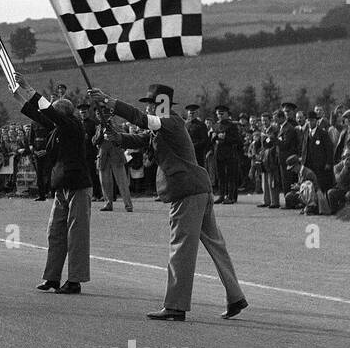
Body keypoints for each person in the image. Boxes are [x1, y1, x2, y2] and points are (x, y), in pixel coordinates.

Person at [87, 83, 248, 321]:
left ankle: (175, 306)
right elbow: (142, 138)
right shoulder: (164, 126)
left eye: (152, 103)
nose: (149, 107)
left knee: (181, 248)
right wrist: (118, 137)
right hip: (196, 188)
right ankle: (236, 297)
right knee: (215, 245)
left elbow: (143, 121)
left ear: (161, 104)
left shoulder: (170, 121)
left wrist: (110, 102)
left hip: (186, 191)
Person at [13, 72, 93, 295]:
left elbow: (47, 112)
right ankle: (52, 277)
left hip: (77, 185)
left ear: (63, 113)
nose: (51, 114)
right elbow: (41, 116)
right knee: (55, 232)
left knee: (76, 235)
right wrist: (20, 97)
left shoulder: (73, 126)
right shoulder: (60, 127)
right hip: (62, 187)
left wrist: (28, 87)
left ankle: (75, 280)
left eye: (56, 111)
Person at [95, 117, 133, 212]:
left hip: (116, 156)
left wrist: (112, 130)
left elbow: (123, 137)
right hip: (103, 156)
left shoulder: (115, 125)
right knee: (105, 182)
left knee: (122, 182)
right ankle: (108, 203)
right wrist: (100, 133)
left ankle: (128, 205)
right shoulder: (99, 127)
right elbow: (94, 141)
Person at [211, 105, 244, 204]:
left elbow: (238, 141)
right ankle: (221, 195)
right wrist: (214, 137)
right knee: (220, 176)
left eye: (222, 114)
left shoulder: (232, 125)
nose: (220, 116)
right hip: (218, 153)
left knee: (231, 176)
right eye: (218, 114)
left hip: (230, 153)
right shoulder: (215, 125)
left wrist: (225, 138)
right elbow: (212, 141)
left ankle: (231, 196)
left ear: (226, 114)